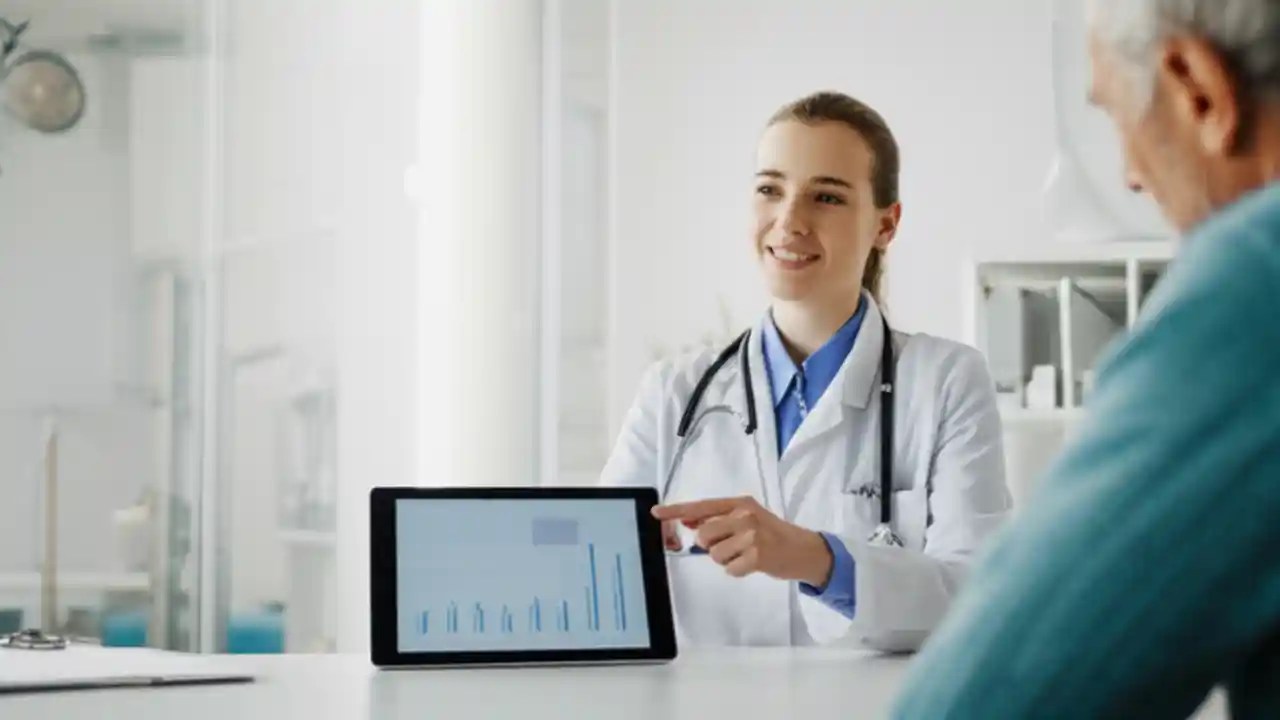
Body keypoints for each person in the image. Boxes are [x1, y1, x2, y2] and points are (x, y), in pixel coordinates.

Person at [892, 0, 1280, 717]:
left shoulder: (1256, 282)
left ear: (1199, 90)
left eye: (1115, 117)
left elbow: (989, 702)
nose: (1131, 176)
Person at [599, 91, 1012, 651]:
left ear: (885, 225)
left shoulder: (946, 381)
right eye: (770, 189)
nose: (789, 221)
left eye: (826, 197)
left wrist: (816, 559)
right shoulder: (674, 392)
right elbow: (601, 574)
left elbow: (981, 599)